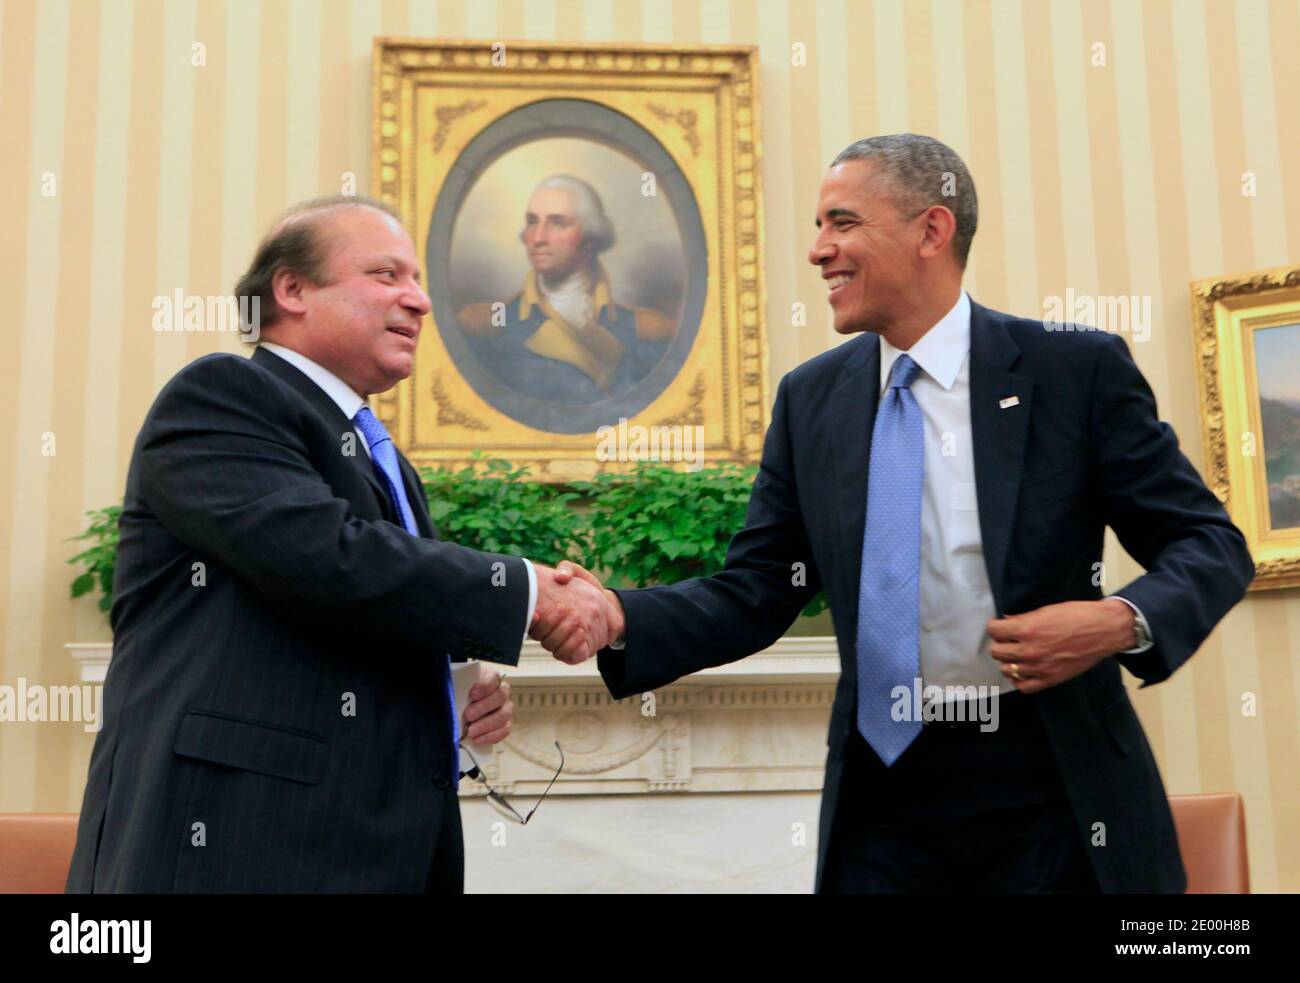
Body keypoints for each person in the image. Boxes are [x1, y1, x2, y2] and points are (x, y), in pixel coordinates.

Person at [540, 134, 1256, 893]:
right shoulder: (811, 399)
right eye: (819, 226)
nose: (818, 251)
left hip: (1052, 790)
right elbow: (757, 588)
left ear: (932, 231)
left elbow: (1207, 542)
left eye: (841, 222)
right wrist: (619, 615)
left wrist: (1117, 619)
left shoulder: (1073, 370)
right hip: (883, 805)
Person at [66, 195, 614, 893]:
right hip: (239, 844)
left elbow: (370, 608)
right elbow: (324, 557)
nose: (418, 301)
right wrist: (529, 593)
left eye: (418, 280)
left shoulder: (383, 456)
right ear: (291, 289)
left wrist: (454, 689)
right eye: (387, 276)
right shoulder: (222, 395)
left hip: (380, 846)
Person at [456, 174, 674, 404]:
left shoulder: (648, 331)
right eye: (532, 221)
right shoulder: (483, 326)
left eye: (557, 222)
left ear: (591, 237)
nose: (537, 238)